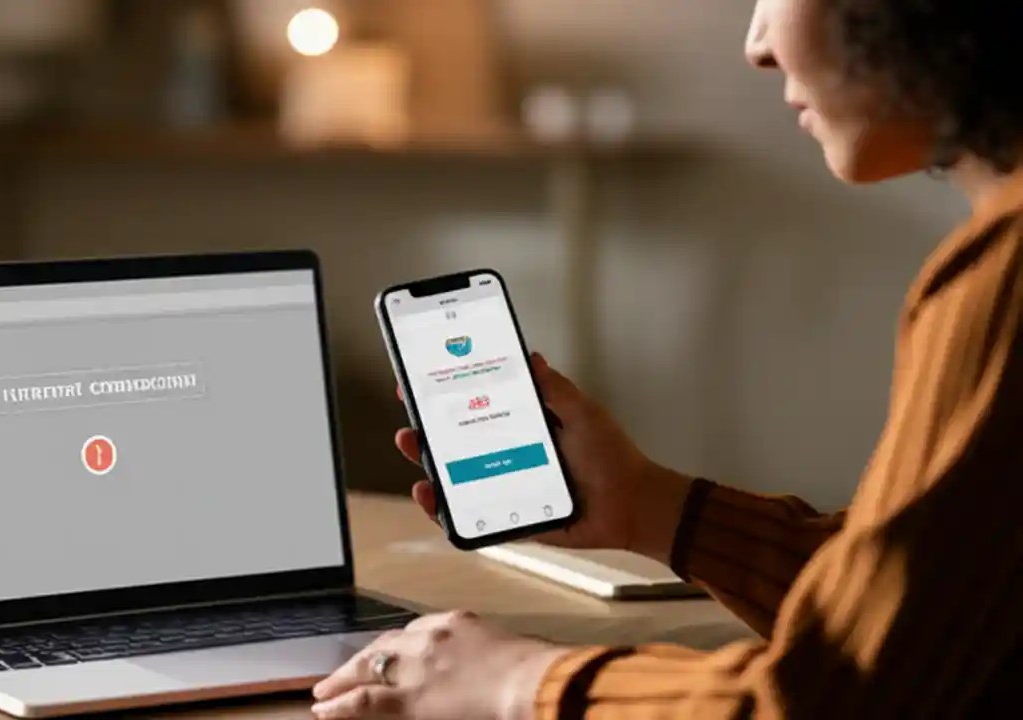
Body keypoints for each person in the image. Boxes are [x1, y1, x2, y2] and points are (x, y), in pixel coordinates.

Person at [309, 0, 1023, 717]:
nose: (757, 43)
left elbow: (833, 700)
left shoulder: (1006, 276)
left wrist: (518, 682)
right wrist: (652, 506)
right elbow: (934, 617)